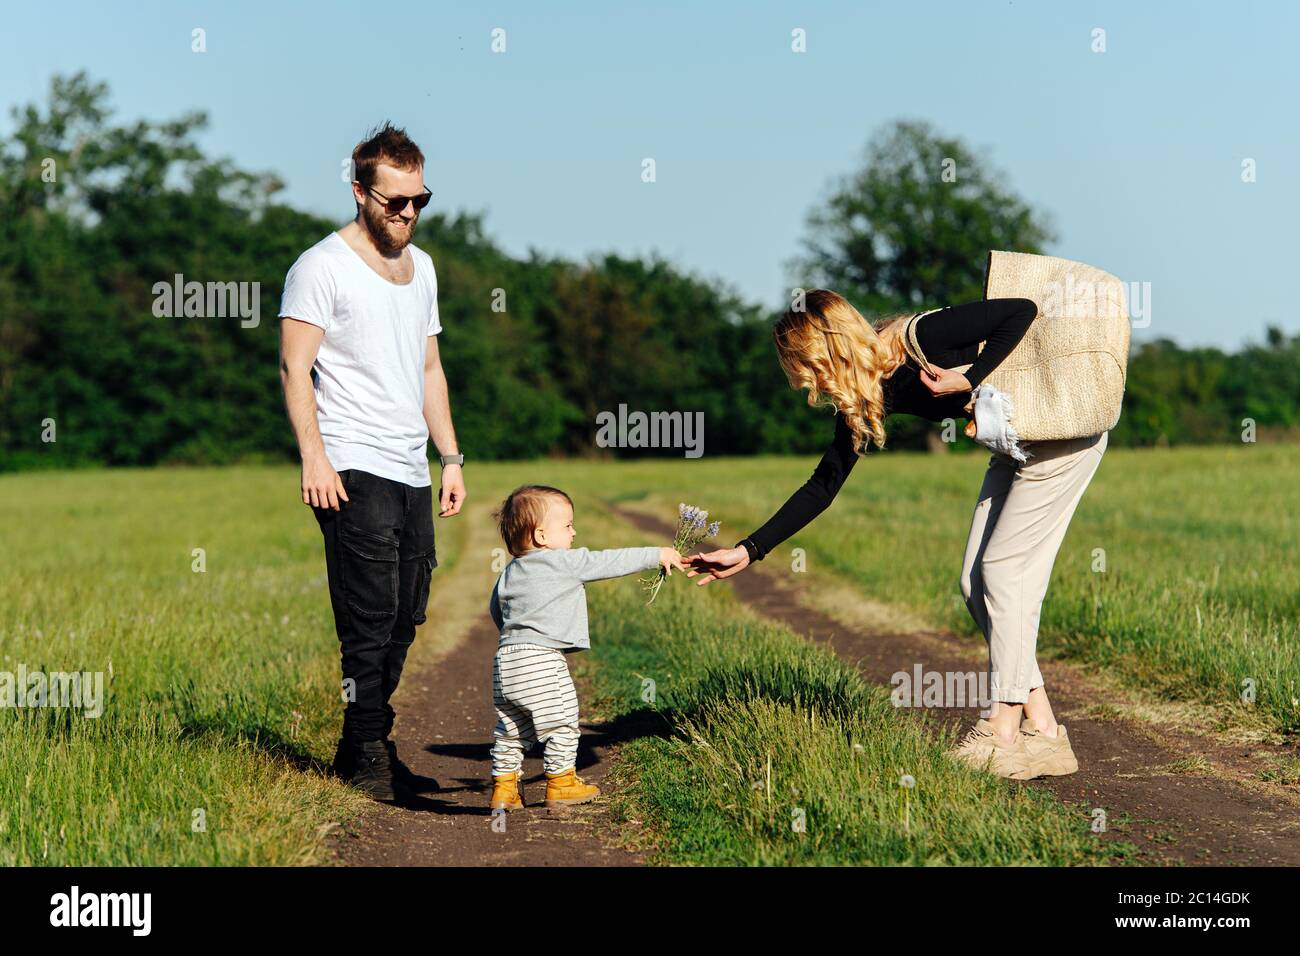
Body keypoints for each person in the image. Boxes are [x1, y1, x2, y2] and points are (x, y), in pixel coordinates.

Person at [684, 289, 1108, 779]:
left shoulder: (919, 337)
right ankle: (1048, 734)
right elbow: (824, 484)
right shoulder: (870, 391)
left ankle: (1002, 730)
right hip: (1017, 449)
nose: (812, 389)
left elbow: (1022, 312)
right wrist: (748, 549)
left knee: (1002, 573)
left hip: (1062, 443)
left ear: (832, 349)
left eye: (812, 371)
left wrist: (969, 376)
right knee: (976, 585)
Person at [278, 123, 466, 802]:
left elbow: (429, 368)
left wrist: (450, 456)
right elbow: (295, 367)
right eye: (395, 202)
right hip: (351, 463)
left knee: (407, 615)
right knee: (369, 618)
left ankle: (366, 743)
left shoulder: (424, 269)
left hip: (411, 467)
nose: (409, 213)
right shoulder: (320, 266)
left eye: (420, 200)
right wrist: (314, 458)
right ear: (360, 192)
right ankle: (366, 756)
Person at [487, 484, 684, 810]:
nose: (574, 532)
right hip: (542, 660)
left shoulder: (508, 573)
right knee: (562, 721)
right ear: (541, 536)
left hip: (505, 661)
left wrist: (515, 638)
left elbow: (497, 611)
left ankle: (504, 789)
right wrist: (657, 554)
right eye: (567, 526)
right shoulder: (563, 561)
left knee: (510, 730)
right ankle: (562, 783)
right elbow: (610, 561)